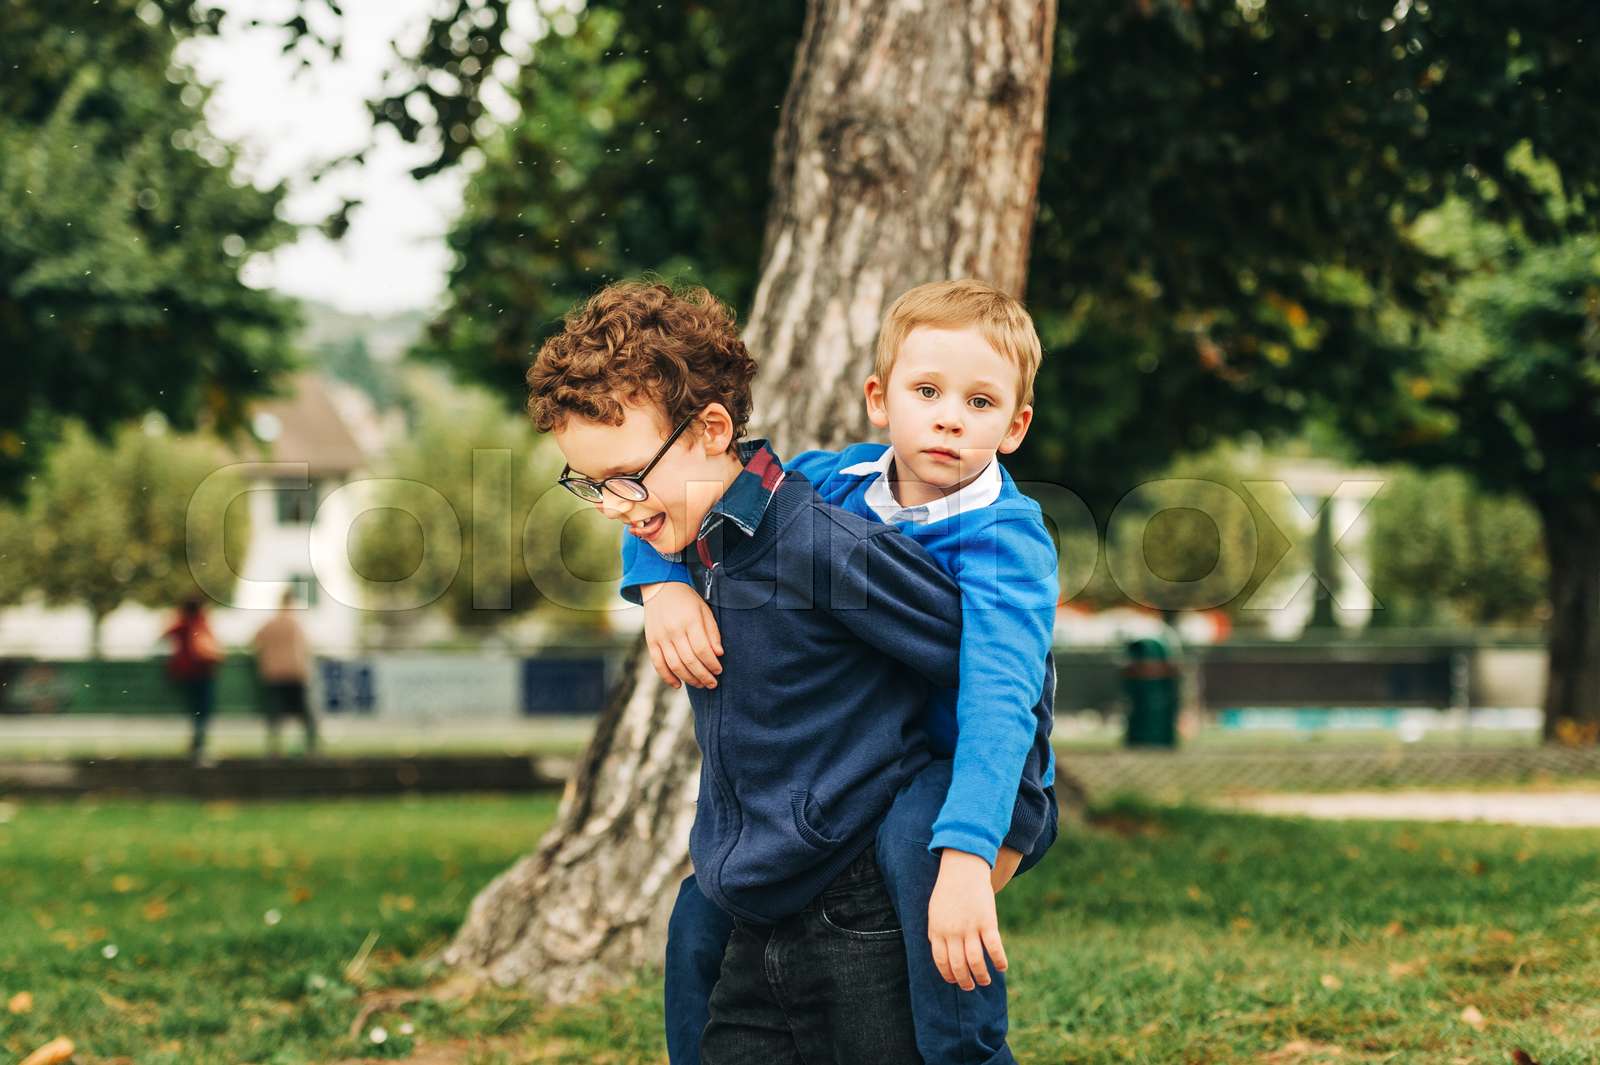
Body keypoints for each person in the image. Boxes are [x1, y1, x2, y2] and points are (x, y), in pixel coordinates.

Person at [621, 278, 1060, 1065]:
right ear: (879, 399)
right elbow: (692, 486)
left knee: (917, 860)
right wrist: (661, 582)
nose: (951, 416)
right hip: (875, 753)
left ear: (1016, 424)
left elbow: (1001, 700)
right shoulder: (838, 481)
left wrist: (969, 853)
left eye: (981, 401)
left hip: (973, 768)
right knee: (700, 912)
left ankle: (968, 1054)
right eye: (927, 390)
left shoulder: (1008, 540)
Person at [251, 588, 319, 757]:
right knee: (305, 713)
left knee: (275, 713)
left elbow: (255, 642)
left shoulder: (270, 623)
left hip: (273, 673)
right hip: (296, 672)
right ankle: (311, 748)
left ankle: (274, 749)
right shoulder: (297, 623)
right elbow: (307, 647)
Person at [163, 596, 224, 764]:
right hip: (203, 673)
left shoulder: (181, 624)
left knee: (195, 710)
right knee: (203, 710)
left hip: (185, 674)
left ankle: (197, 745)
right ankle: (199, 746)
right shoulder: (201, 623)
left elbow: (164, 633)